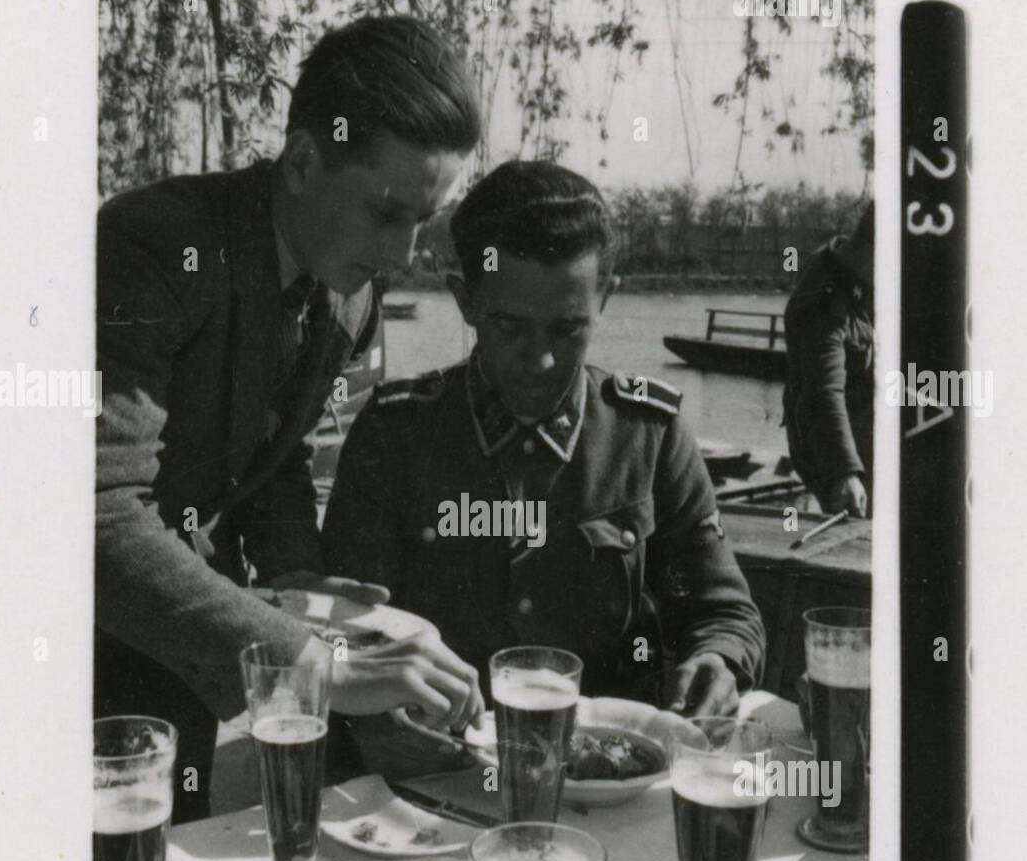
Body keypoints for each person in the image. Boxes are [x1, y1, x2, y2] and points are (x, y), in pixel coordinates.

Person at [96, 15, 485, 821]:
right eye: (387, 213)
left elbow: (274, 467)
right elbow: (94, 516)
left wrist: (298, 579)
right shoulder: (152, 246)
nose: (405, 254)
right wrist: (314, 664)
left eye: (425, 218)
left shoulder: (351, 294)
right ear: (304, 161)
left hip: (183, 666)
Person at [322, 160, 766, 776]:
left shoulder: (650, 434)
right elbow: (336, 628)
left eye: (570, 327)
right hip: (429, 786)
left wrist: (718, 660)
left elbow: (725, 613)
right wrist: (364, 713)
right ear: (466, 300)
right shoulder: (395, 433)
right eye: (510, 327)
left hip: (605, 786)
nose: (542, 359)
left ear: (605, 299)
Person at [782, 201, 874, 517]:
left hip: (867, 421)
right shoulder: (823, 302)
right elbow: (822, 392)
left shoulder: (860, 280)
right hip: (832, 444)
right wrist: (845, 472)